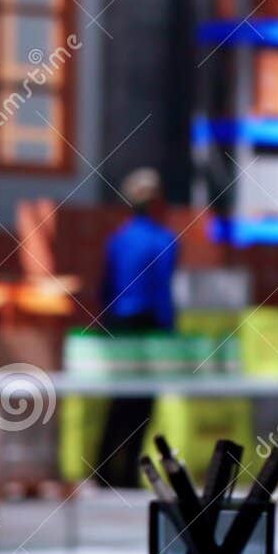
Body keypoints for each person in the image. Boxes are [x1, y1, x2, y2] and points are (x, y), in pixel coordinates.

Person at [94, 168, 177, 488]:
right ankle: (128, 472)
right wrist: (168, 333)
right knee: (142, 401)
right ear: (156, 203)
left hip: (118, 326)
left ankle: (102, 470)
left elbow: (105, 287)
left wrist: (105, 326)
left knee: (118, 398)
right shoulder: (163, 241)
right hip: (148, 326)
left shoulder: (118, 240)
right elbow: (162, 291)